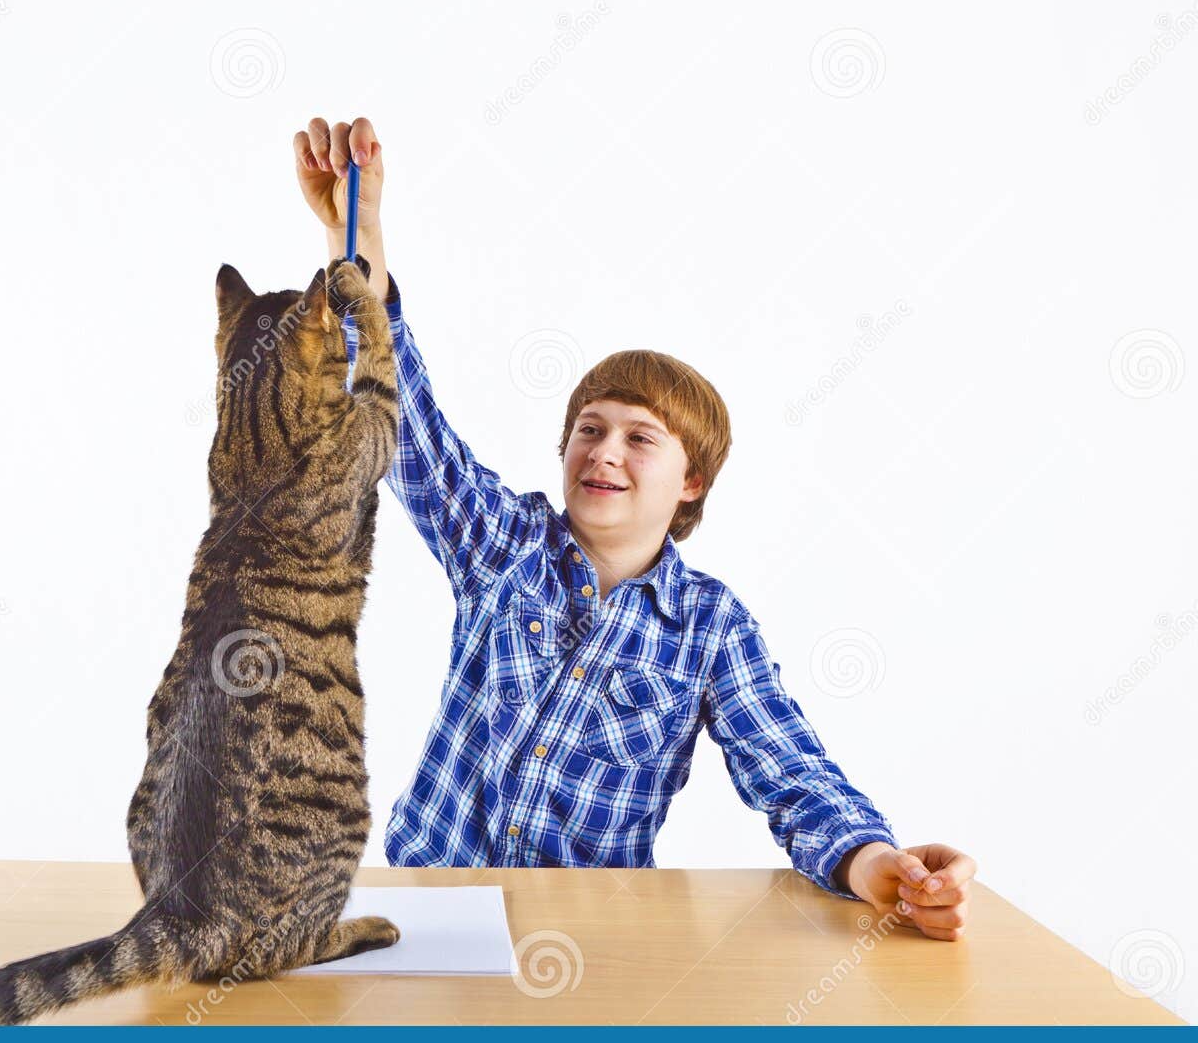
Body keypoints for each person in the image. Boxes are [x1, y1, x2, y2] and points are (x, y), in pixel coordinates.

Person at [291, 117, 976, 940]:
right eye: (590, 426)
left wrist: (878, 864)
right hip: (425, 915)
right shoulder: (501, 545)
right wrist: (355, 241)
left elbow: (792, 775)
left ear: (691, 481)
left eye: (639, 437)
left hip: (584, 943)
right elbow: (403, 414)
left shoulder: (711, 628)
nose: (604, 450)